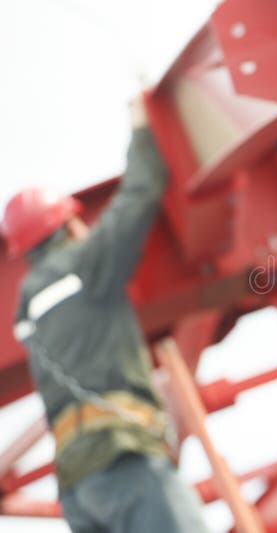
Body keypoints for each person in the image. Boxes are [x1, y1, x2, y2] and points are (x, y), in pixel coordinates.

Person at [1, 94, 210, 533]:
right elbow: (141, 190)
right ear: (66, 224)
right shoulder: (85, 265)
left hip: (79, 489)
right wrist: (139, 121)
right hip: (123, 461)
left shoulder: (27, 304)